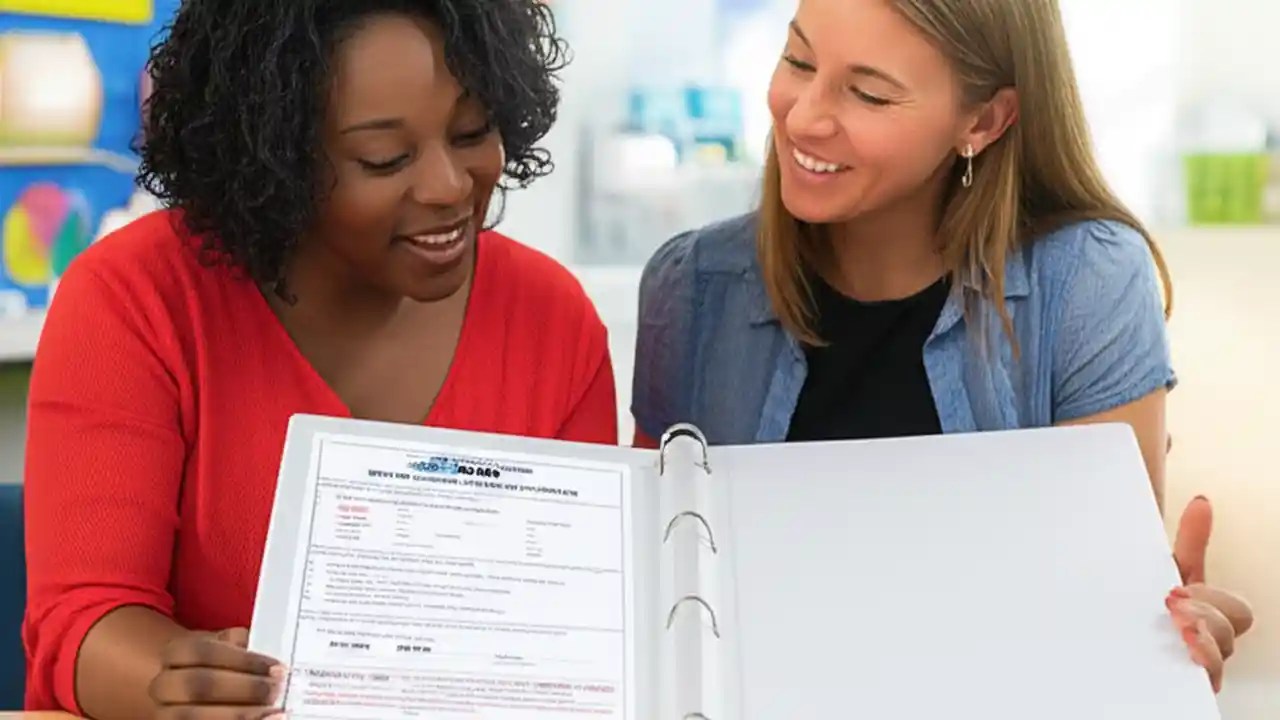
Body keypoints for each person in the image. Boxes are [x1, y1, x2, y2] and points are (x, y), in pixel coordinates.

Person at [631, 0, 1253, 694]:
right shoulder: (691, 288)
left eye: (868, 92)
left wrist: (1157, 652)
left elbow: (1100, 636)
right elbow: (655, 594)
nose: (803, 115)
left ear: (984, 121)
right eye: (798, 60)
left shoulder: (1086, 283)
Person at [22, 1, 616, 718]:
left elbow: (575, 637)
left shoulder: (552, 321)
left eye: (471, 133)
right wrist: (173, 686)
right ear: (275, 151)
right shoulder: (133, 301)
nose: (450, 187)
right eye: (384, 159)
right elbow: (83, 625)